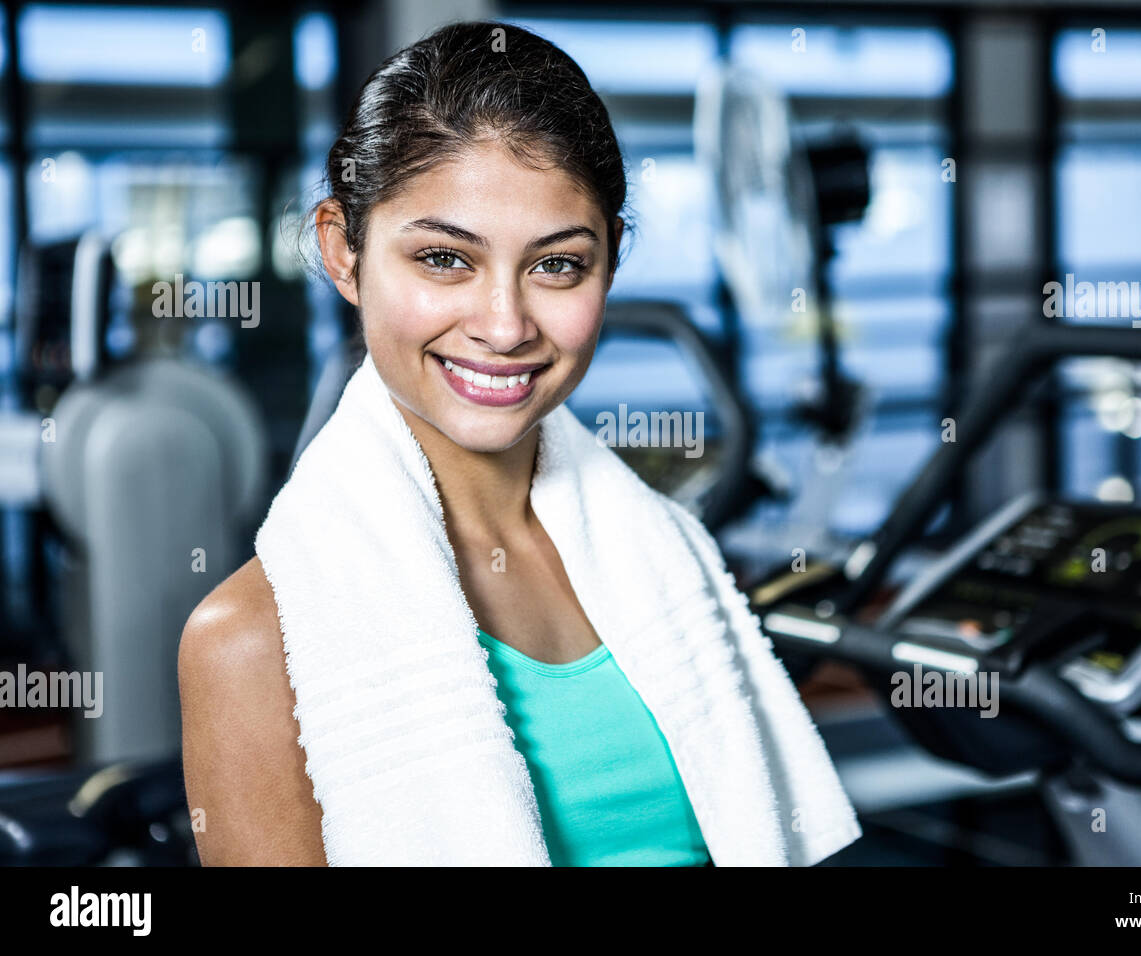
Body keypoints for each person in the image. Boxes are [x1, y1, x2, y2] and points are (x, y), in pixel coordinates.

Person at [179, 20, 857, 866]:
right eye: (443, 259)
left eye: (557, 266)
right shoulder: (246, 639)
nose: (504, 327)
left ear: (612, 259)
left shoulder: (667, 554)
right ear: (342, 251)